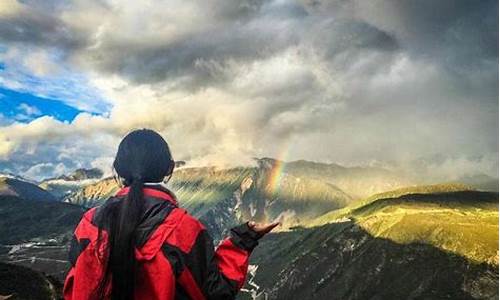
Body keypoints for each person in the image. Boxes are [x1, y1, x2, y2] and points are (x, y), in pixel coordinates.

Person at [63, 129, 279, 300]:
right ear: (170, 169)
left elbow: (75, 286)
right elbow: (216, 292)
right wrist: (243, 240)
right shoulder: (184, 229)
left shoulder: (88, 225)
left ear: (117, 170)